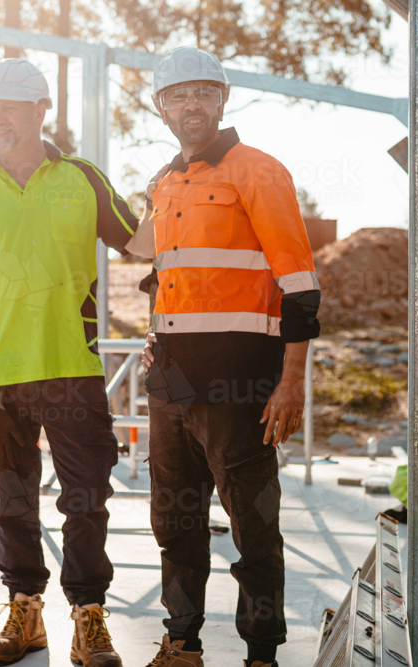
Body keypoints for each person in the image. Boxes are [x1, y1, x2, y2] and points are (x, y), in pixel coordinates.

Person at [0, 58, 150, 667]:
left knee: (86, 496)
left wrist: (179, 187)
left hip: (72, 368)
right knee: (12, 503)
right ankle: (25, 613)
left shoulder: (82, 178)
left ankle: (88, 617)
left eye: (9, 108)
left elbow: (145, 242)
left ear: (40, 110)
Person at [137, 46, 321, 667]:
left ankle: (262, 654)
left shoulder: (259, 172)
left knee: (253, 529)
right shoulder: (163, 183)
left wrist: (291, 382)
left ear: (222, 100)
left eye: (203, 93)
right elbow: (168, 274)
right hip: (171, 385)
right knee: (175, 522)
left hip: (241, 385)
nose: (191, 105)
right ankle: (182, 642)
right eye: (178, 95)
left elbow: (299, 287)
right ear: (161, 107)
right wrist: (155, 333)